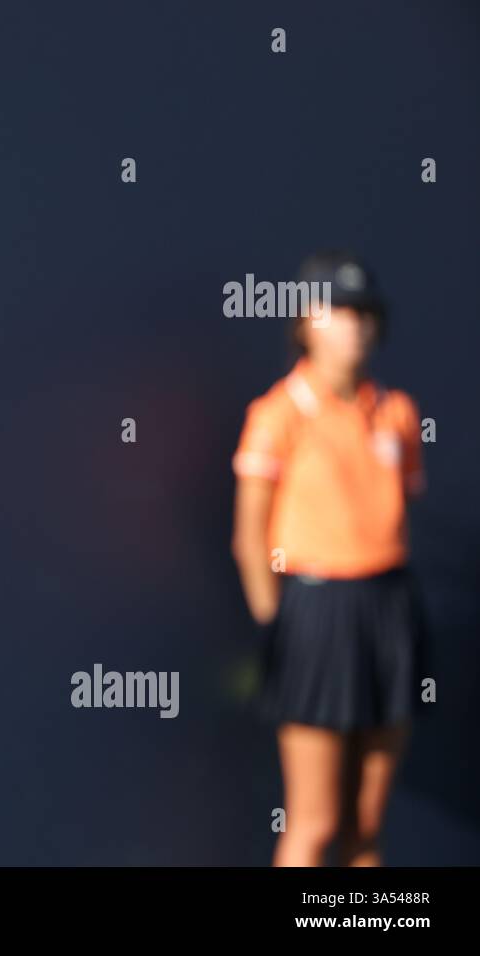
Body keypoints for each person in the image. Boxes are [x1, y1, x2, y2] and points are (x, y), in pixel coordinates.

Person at [231, 251, 428, 867]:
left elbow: (396, 516)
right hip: (314, 616)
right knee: (313, 822)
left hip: (389, 609)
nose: (356, 324)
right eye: (341, 309)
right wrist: (281, 628)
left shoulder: (398, 413)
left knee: (365, 825)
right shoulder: (276, 415)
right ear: (306, 321)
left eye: (366, 312)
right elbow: (248, 539)